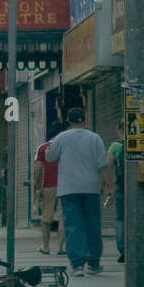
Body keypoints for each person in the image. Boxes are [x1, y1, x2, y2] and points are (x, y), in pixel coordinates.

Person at [45, 106, 114, 277]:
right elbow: (102, 166)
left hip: (68, 189)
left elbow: (50, 157)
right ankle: (93, 262)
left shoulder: (61, 138)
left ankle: (76, 265)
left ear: (68, 120)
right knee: (92, 224)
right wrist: (109, 187)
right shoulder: (95, 138)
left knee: (73, 225)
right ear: (85, 118)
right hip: (91, 188)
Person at [34, 122, 68, 255]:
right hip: (65, 185)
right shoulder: (66, 147)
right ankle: (61, 247)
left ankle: (46, 246)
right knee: (62, 217)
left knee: (46, 217)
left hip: (48, 185)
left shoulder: (42, 148)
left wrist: (37, 187)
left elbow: (37, 169)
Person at [108, 119, 126, 263]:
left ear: (119, 130)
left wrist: (109, 188)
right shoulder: (142, 144)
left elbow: (109, 168)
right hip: (141, 188)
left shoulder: (115, 146)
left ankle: (123, 248)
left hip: (121, 187)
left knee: (121, 218)